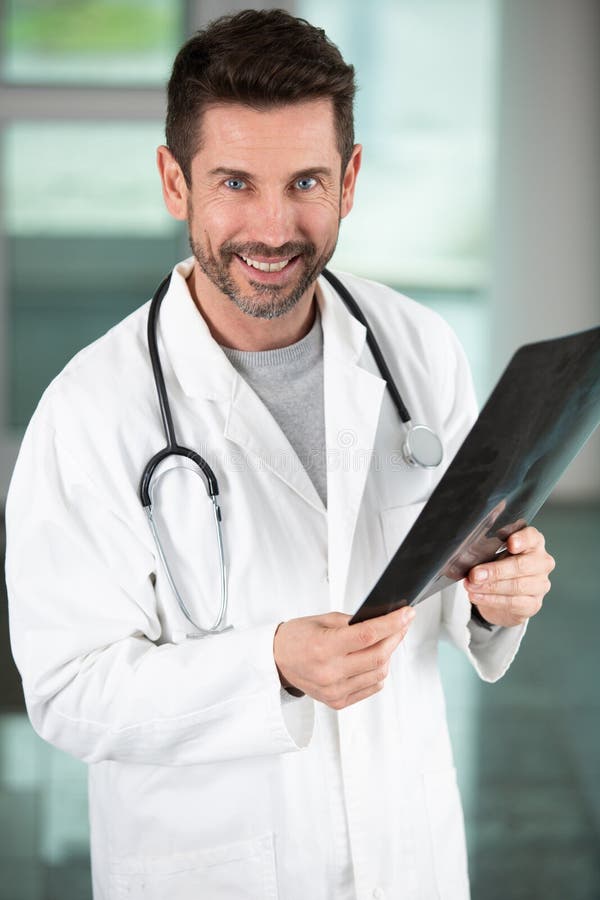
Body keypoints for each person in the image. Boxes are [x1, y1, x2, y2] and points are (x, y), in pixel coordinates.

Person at [5, 9, 555, 899]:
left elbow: (453, 585)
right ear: (173, 182)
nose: (272, 228)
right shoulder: (89, 409)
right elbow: (68, 690)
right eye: (234, 182)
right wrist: (269, 666)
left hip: (405, 855)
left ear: (351, 178)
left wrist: (499, 593)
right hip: (213, 871)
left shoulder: (418, 349)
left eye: (305, 180)